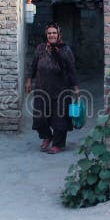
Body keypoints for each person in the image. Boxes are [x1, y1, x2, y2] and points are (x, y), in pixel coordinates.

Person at [26, 22, 79, 154]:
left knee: (59, 118)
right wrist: (29, 80)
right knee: (39, 118)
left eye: (54, 33)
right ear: (46, 34)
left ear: (58, 34)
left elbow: (71, 70)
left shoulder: (65, 50)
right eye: (49, 33)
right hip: (42, 88)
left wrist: (76, 87)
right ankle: (47, 136)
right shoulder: (40, 48)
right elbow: (33, 65)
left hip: (61, 90)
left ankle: (57, 144)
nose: (52, 35)